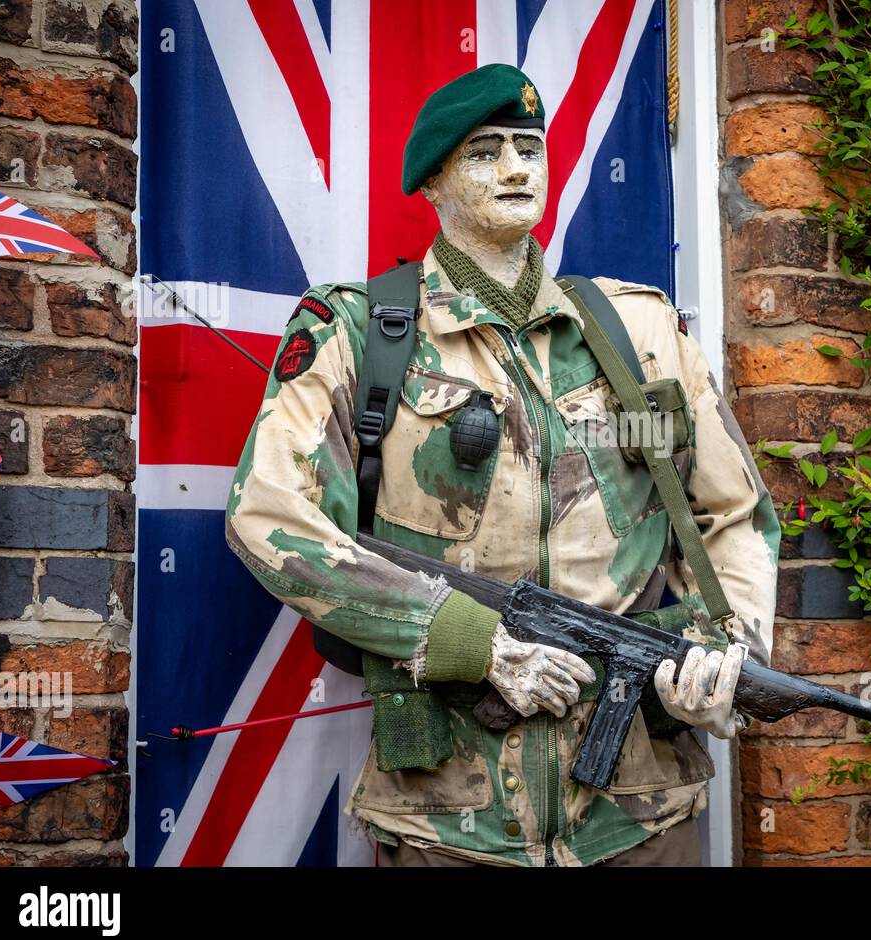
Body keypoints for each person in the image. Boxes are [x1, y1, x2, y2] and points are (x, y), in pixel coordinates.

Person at [226, 63, 780, 867]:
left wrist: (726, 648)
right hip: (449, 820)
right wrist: (466, 639)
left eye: (530, 147)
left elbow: (734, 512)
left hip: (642, 814)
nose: (519, 168)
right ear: (434, 181)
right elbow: (268, 517)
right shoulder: (361, 330)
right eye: (485, 152)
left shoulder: (640, 330)